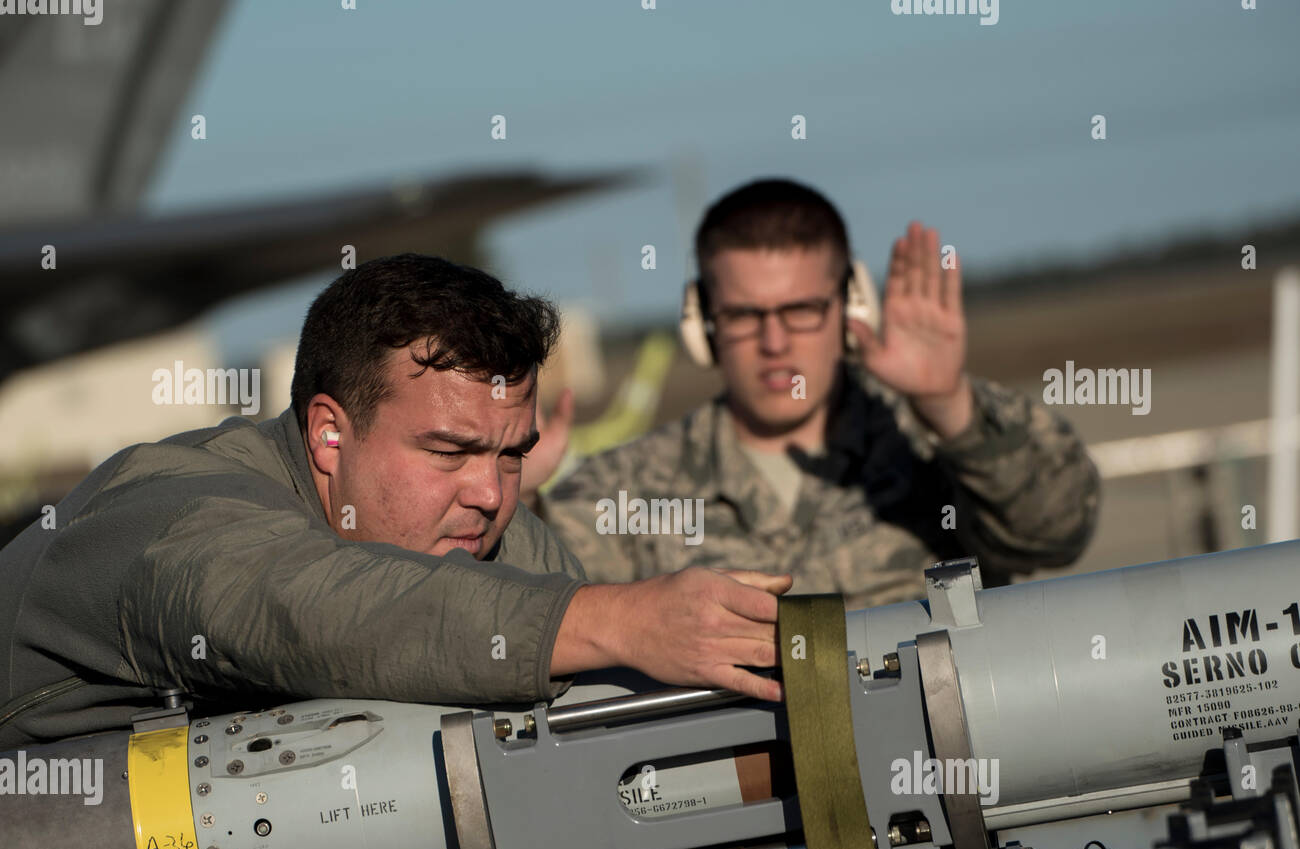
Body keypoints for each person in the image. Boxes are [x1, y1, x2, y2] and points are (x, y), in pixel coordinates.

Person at [0, 254, 791, 750]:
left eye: (510, 455)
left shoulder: (485, 539)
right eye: (448, 451)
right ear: (329, 436)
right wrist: (622, 619)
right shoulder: (177, 520)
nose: (488, 494)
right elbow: (305, 611)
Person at [529, 179, 1100, 607]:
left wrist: (948, 406)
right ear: (702, 322)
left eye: (801, 309)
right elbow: (535, 610)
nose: (774, 341)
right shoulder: (632, 490)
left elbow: (1058, 532)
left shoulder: (930, 449)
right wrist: (511, 500)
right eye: (744, 314)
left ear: (850, 306)